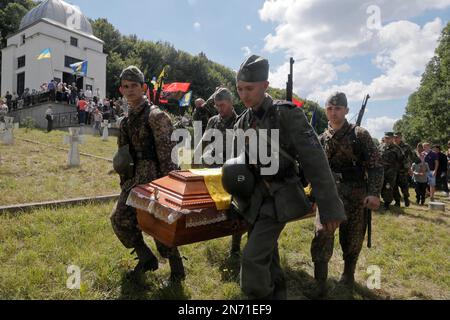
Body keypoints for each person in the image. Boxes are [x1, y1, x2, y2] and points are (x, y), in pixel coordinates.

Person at [224, 55, 346, 300]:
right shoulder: (242, 120)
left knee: (252, 259)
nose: (244, 95)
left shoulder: (286, 114)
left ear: (265, 85)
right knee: (268, 256)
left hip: (280, 196)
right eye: (239, 89)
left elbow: (315, 160)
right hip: (254, 199)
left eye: (250, 88)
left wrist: (329, 206)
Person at [110, 66, 185, 282]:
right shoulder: (126, 121)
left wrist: (170, 187)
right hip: (134, 180)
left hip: (156, 179)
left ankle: (177, 271)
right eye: (126, 86)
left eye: (134, 85)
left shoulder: (156, 116)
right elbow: (123, 155)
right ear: (121, 90)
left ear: (143, 88)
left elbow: (168, 155)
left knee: (161, 226)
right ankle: (146, 259)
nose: (130, 90)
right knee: (120, 219)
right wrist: (124, 180)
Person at [310, 92, 383, 297]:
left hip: (356, 194)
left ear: (346, 110)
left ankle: (348, 276)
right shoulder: (321, 138)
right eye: (330, 108)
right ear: (326, 110)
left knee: (352, 238)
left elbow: (376, 165)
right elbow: (316, 170)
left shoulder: (360, 135)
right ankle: (320, 283)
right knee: (322, 235)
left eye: (338, 108)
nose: (333, 112)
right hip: (329, 195)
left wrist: (374, 193)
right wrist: (314, 197)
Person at [195, 87, 242, 258]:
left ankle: (235, 247)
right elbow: (204, 142)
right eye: (217, 106)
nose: (220, 109)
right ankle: (210, 232)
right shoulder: (213, 121)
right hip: (213, 170)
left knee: (235, 208)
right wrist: (195, 159)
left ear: (231, 102)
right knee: (214, 205)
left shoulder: (240, 122)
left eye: (222, 105)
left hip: (233, 171)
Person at [379, 132, 406, 210]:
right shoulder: (380, 147)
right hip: (381, 171)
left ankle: (387, 204)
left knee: (388, 187)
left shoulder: (397, 149)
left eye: (388, 138)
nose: (386, 140)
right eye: (385, 138)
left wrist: (403, 171)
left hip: (391, 172)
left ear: (392, 139)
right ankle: (382, 201)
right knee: (381, 186)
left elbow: (403, 160)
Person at [393, 132, 415, 207]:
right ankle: (397, 201)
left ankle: (406, 198)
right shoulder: (392, 146)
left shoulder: (406, 146)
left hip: (403, 170)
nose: (395, 139)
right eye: (394, 137)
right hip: (393, 170)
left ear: (400, 137)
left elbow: (411, 157)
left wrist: (409, 167)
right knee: (394, 186)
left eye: (397, 137)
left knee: (404, 186)